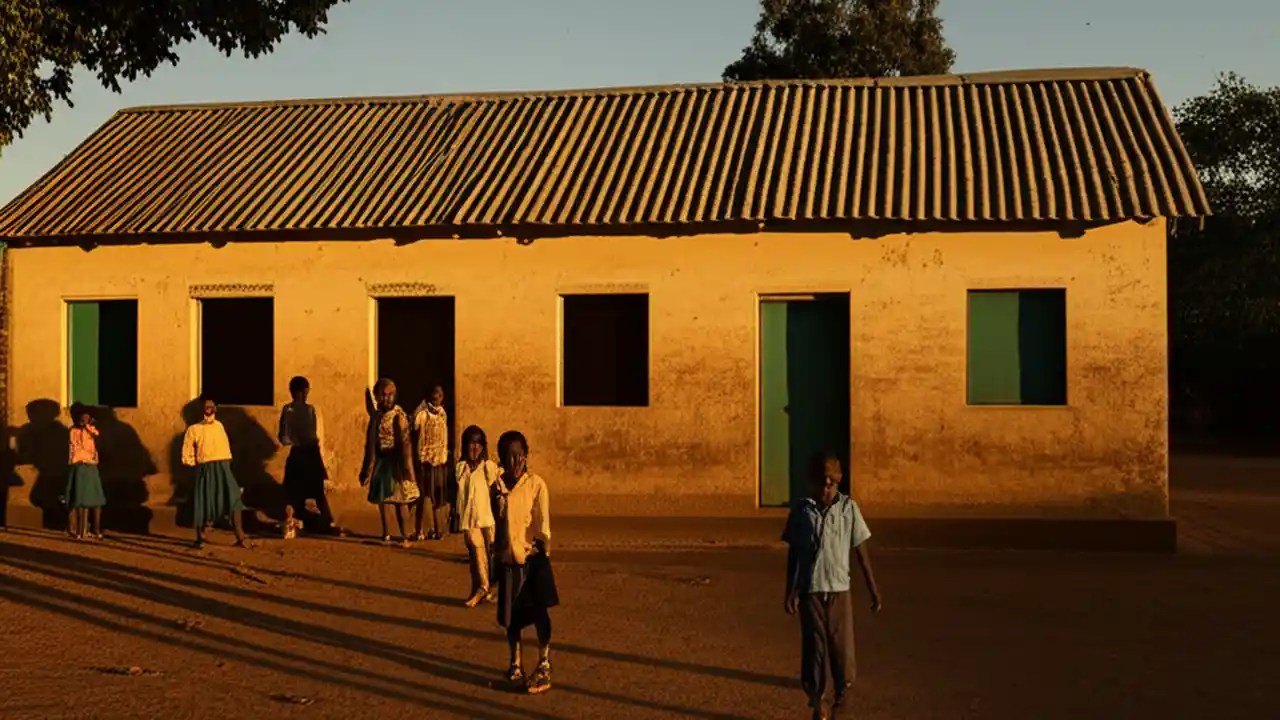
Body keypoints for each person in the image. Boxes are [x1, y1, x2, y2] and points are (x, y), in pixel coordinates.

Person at [782, 452, 882, 720]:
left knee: (841, 647)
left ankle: (842, 695)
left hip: (839, 590)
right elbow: (794, 554)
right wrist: (789, 590)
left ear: (839, 482)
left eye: (832, 483)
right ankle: (817, 700)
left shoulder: (849, 509)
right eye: (822, 482)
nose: (826, 488)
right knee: (815, 647)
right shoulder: (802, 512)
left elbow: (861, 551)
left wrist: (873, 589)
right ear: (812, 482)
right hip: (810, 590)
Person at [494, 430, 557, 695]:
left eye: (519, 453)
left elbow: (543, 522)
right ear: (501, 458)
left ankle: (544, 663)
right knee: (512, 618)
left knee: (540, 611)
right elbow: (495, 525)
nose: (515, 459)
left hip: (533, 559)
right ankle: (515, 662)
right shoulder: (496, 486)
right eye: (509, 454)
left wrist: (539, 546)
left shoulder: (536, 484)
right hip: (509, 560)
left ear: (526, 455)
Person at [182, 397, 250, 549]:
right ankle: (200, 538)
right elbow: (187, 454)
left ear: (215, 409)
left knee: (234, 499)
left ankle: (241, 537)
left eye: (211, 406)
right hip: (205, 468)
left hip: (223, 468)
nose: (209, 409)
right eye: (206, 406)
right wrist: (197, 465)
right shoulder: (193, 429)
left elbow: (225, 448)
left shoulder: (219, 426)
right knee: (203, 502)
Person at [360, 378, 419, 546]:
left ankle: (405, 535)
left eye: (390, 395)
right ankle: (386, 534)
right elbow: (371, 443)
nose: (386, 398)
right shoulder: (377, 417)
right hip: (382, 462)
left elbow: (405, 445)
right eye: (382, 395)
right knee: (384, 500)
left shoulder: (398, 417)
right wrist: (368, 469)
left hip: (396, 463)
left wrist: (408, 470)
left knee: (401, 501)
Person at [278, 376, 336, 539]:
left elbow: (283, 437)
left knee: (292, 491)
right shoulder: (312, 410)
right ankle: (327, 523)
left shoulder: (287, 410)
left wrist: (295, 440)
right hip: (311, 454)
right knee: (317, 491)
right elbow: (318, 436)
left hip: (297, 453)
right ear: (304, 391)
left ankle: (290, 522)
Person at [455, 425, 502, 607]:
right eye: (470, 443)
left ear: (483, 447)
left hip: (487, 518)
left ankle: (486, 588)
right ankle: (481, 587)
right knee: (476, 551)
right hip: (469, 520)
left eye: (478, 444)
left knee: (491, 555)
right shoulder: (461, 468)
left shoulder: (487, 467)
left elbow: (496, 486)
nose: (474, 448)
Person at [412, 384, 450, 541]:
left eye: (440, 395)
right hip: (425, 460)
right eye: (434, 395)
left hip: (439, 461)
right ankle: (418, 529)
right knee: (422, 497)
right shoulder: (423, 414)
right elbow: (414, 425)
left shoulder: (442, 414)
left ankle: (437, 529)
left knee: (437, 498)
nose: (437, 398)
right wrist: (420, 407)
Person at [65, 404, 106, 540]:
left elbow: (98, 439)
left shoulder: (93, 431)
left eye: (87, 417)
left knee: (96, 499)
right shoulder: (73, 431)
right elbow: (76, 449)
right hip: (79, 465)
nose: (84, 419)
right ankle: (78, 530)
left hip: (91, 466)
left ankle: (96, 529)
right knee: (79, 499)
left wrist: (88, 428)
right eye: (82, 417)